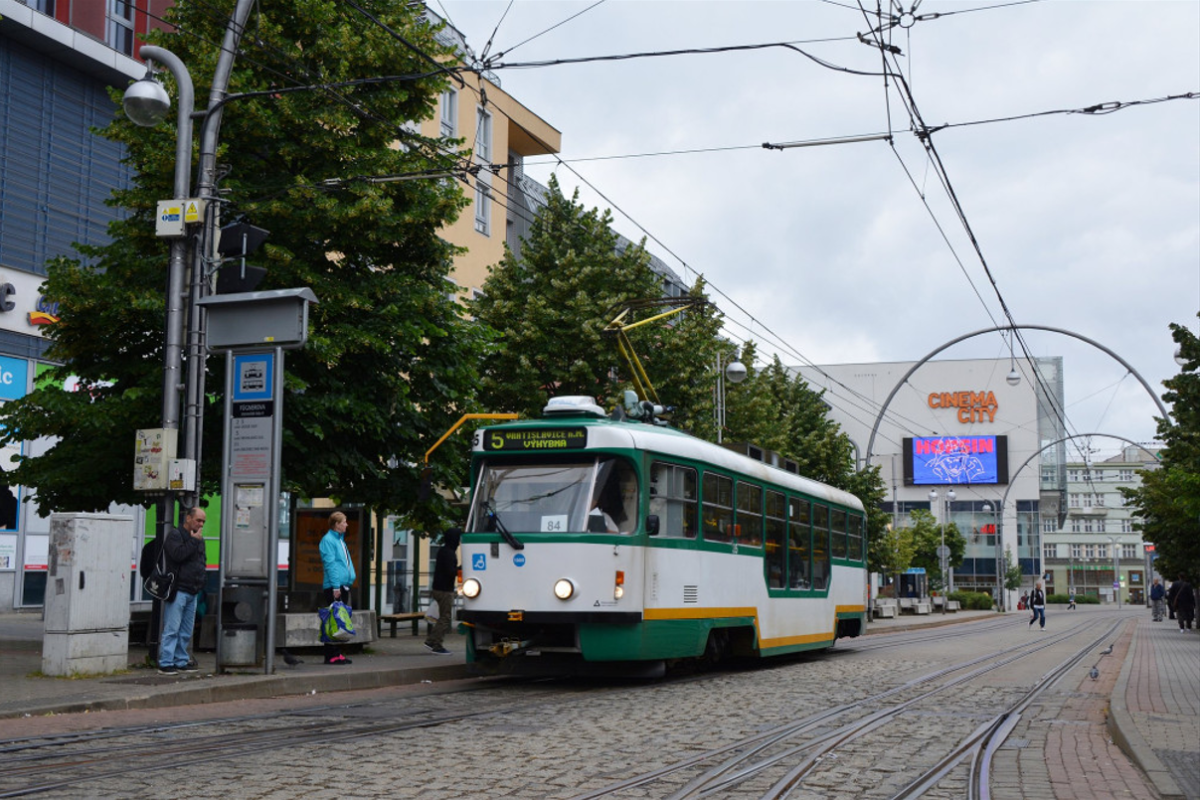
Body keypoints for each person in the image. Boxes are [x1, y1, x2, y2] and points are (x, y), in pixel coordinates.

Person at [158, 506, 208, 676]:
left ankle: (180, 660)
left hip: (193, 590)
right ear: (188, 518)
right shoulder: (175, 535)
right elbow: (177, 555)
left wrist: (201, 582)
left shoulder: (199, 539)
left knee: (186, 630)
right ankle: (166, 662)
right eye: (198, 520)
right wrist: (193, 541)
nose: (201, 524)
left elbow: (201, 561)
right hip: (178, 589)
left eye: (203, 521)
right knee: (172, 628)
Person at [320, 511, 357, 665]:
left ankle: (336, 653)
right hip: (335, 586)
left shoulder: (339, 540)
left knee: (339, 620)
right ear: (336, 524)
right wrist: (336, 586)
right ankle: (331, 655)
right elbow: (331, 565)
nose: (346, 524)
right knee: (334, 620)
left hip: (342, 585)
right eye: (344, 522)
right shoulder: (328, 540)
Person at [425, 527, 460, 655]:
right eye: (458, 539)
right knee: (445, 618)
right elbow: (450, 572)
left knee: (442, 617)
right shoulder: (450, 553)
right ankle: (436, 644)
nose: (459, 542)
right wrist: (460, 569)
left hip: (438, 588)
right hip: (445, 590)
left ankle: (431, 641)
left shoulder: (443, 551)